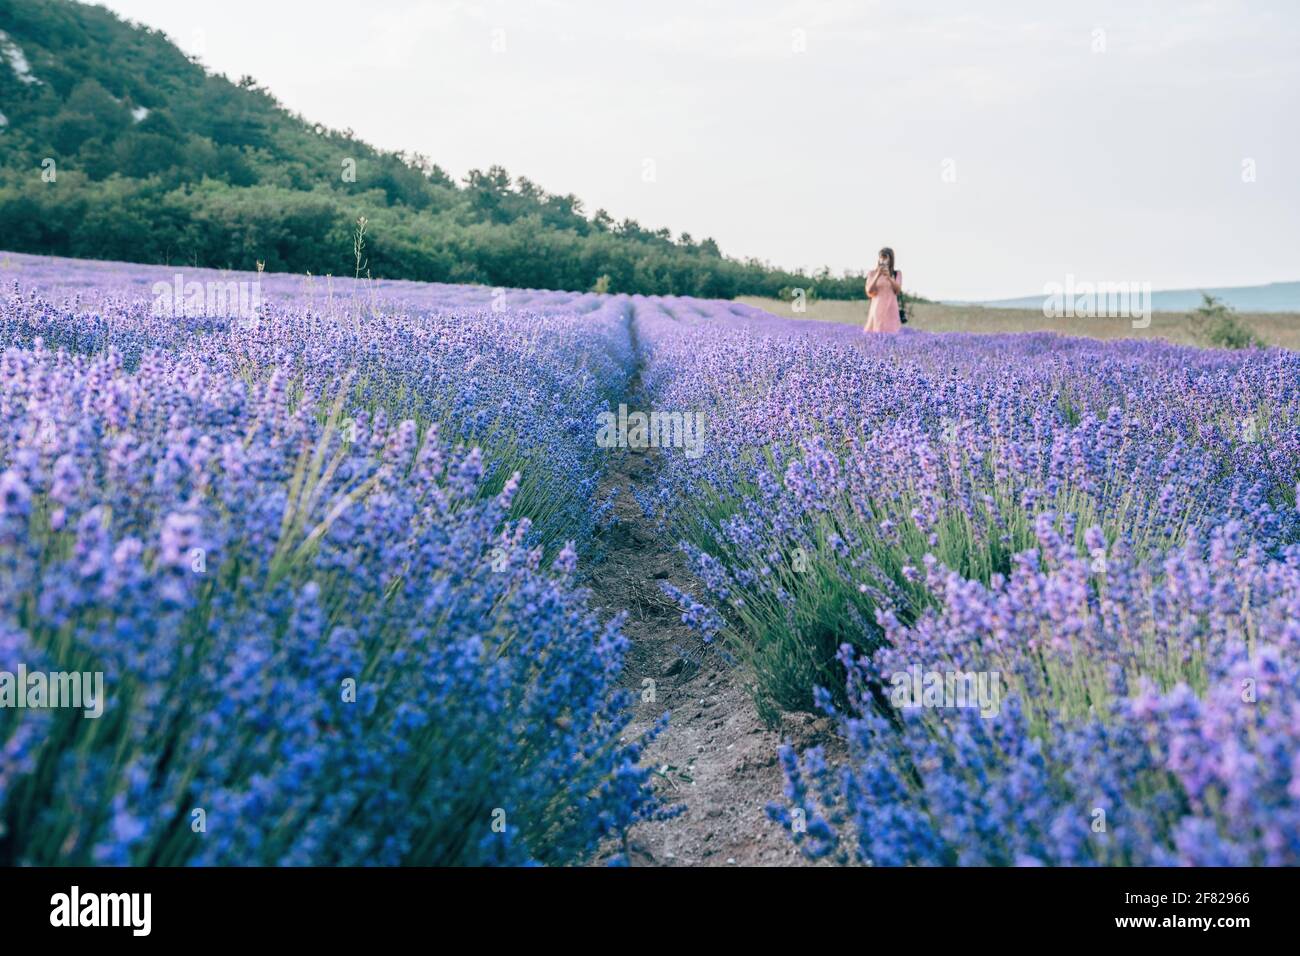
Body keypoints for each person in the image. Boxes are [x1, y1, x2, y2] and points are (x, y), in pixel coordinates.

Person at [864, 247, 903, 334]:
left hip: (891, 308)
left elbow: (897, 290)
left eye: (885, 257)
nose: (883, 260)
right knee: (875, 333)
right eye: (881, 257)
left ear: (890, 259)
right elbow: (869, 290)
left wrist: (889, 277)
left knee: (892, 334)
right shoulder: (872, 273)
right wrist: (878, 274)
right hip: (877, 308)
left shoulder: (896, 274)